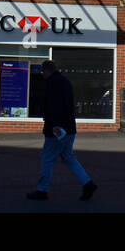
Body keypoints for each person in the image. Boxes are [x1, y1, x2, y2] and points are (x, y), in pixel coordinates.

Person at [26, 59, 96, 201]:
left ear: (46, 71)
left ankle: (42, 190)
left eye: (42, 72)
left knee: (47, 158)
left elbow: (54, 107)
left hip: (57, 129)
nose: (42, 74)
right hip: (69, 128)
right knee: (68, 157)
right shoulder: (64, 81)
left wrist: (54, 126)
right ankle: (87, 183)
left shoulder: (53, 84)